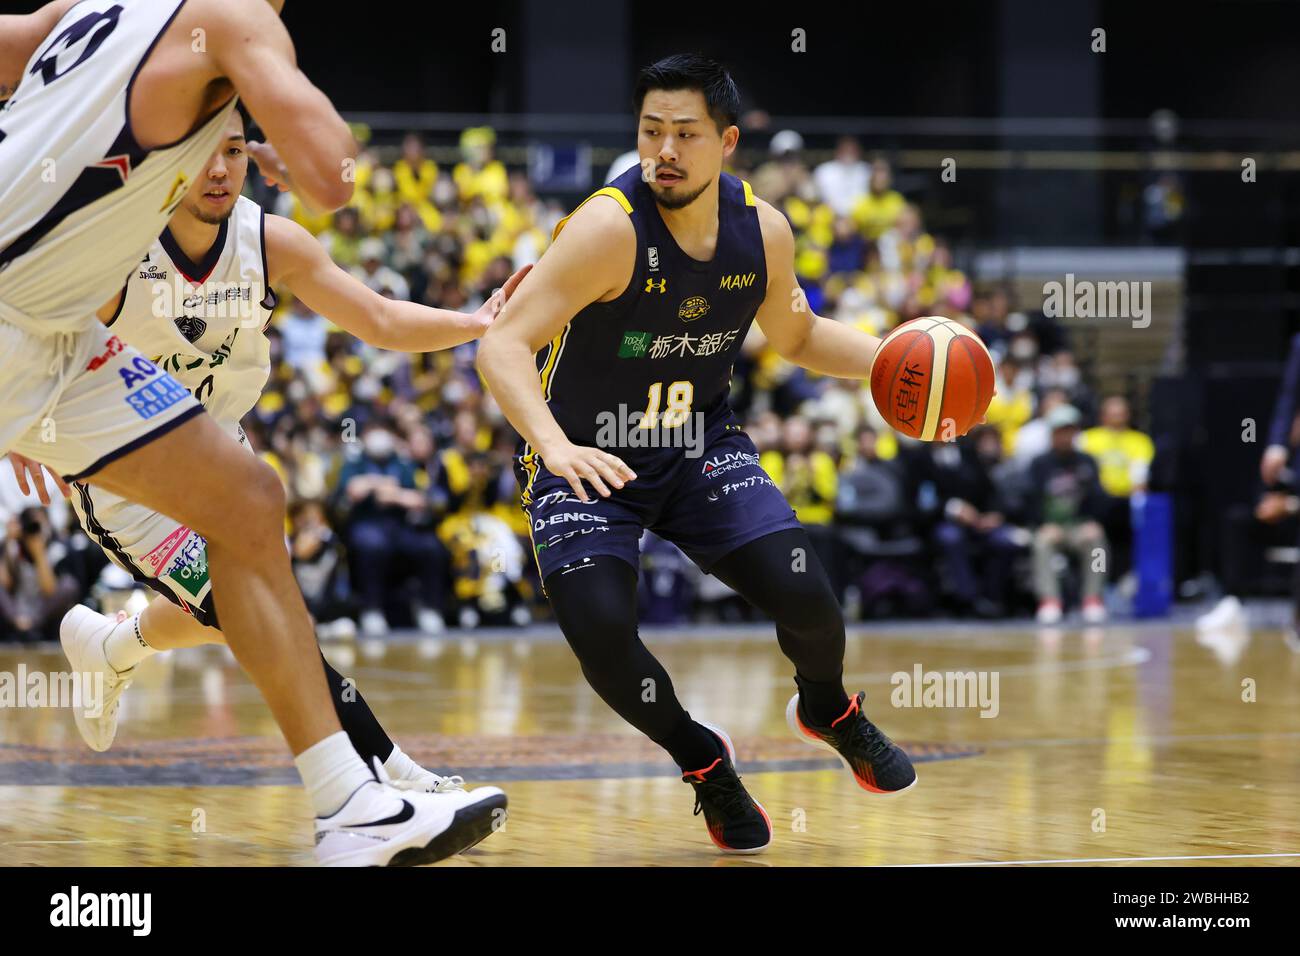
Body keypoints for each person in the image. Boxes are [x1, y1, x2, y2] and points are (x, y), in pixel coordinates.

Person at [0, 0, 504, 866]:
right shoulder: (229, 25)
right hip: (44, 357)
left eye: (233, 149)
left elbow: (378, 316)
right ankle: (389, 773)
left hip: (52, 339)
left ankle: (347, 803)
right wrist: (282, 116)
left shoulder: (94, 13)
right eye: (217, 145)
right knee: (264, 603)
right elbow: (336, 176)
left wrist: (476, 321)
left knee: (250, 504)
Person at [477, 54, 917, 854]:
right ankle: (702, 760)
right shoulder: (608, 229)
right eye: (651, 133)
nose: (665, 151)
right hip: (589, 456)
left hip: (694, 442)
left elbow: (801, 336)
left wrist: (898, 360)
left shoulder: (764, 231)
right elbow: (502, 345)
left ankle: (828, 709)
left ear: (727, 143)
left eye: (685, 134)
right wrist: (553, 444)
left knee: (808, 596)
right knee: (604, 634)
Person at [1027, 405, 1110, 623]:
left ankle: (1093, 598)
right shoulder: (1039, 464)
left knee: (1097, 544)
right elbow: (1030, 500)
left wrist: (1092, 522)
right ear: (1052, 434)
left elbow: (1098, 497)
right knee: (1041, 543)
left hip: (1079, 526)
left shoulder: (1087, 461)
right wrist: (1042, 524)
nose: (1066, 436)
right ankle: (1049, 600)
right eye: (1061, 431)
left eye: (1070, 431)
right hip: (1051, 526)